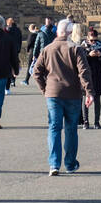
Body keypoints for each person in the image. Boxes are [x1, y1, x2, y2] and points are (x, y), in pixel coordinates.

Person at [32, 19, 92, 176]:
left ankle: (54, 164)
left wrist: (44, 89)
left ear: (58, 31)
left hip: (53, 93)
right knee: (71, 129)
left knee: (54, 127)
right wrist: (89, 91)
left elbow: (36, 72)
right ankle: (70, 164)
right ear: (70, 32)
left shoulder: (47, 49)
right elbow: (84, 71)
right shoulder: (76, 49)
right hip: (72, 93)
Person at [79, 27, 101, 129]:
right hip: (86, 77)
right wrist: (88, 55)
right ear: (87, 38)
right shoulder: (82, 47)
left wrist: (100, 56)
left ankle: (97, 121)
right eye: (91, 40)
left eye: (95, 40)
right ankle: (85, 121)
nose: (93, 42)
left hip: (98, 76)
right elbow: (79, 63)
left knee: (97, 99)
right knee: (85, 98)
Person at [5, 18, 24, 88]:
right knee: (15, 64)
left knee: (9, 65)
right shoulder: (18, 30)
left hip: (9, 49)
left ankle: (9, 80)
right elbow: (20, 39)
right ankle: (13, 81)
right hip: (16, 49)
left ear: (8, 23)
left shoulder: (7, 30)